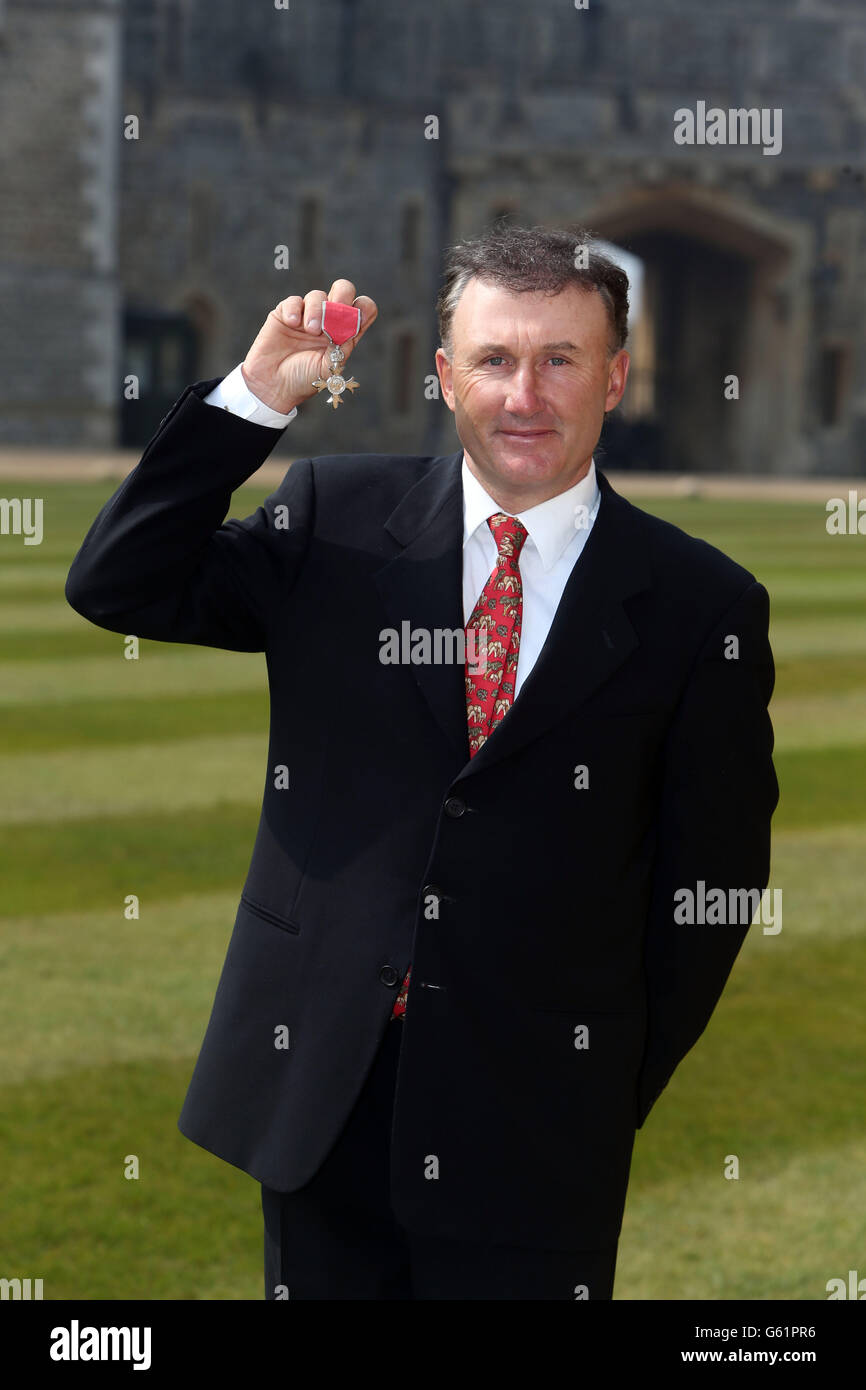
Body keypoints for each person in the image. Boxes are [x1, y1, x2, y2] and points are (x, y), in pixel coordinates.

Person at [65, 223, 779, 1300]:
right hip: (322, 1094)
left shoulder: (701, 604)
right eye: (493, 359)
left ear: (615, 377)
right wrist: (255, 398)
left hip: (539, 1119)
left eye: (559, 359)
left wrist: (604, 1077)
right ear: (444, 377)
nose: (524, 394)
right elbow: (117, 580)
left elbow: (709, 884)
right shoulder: (331, 520)